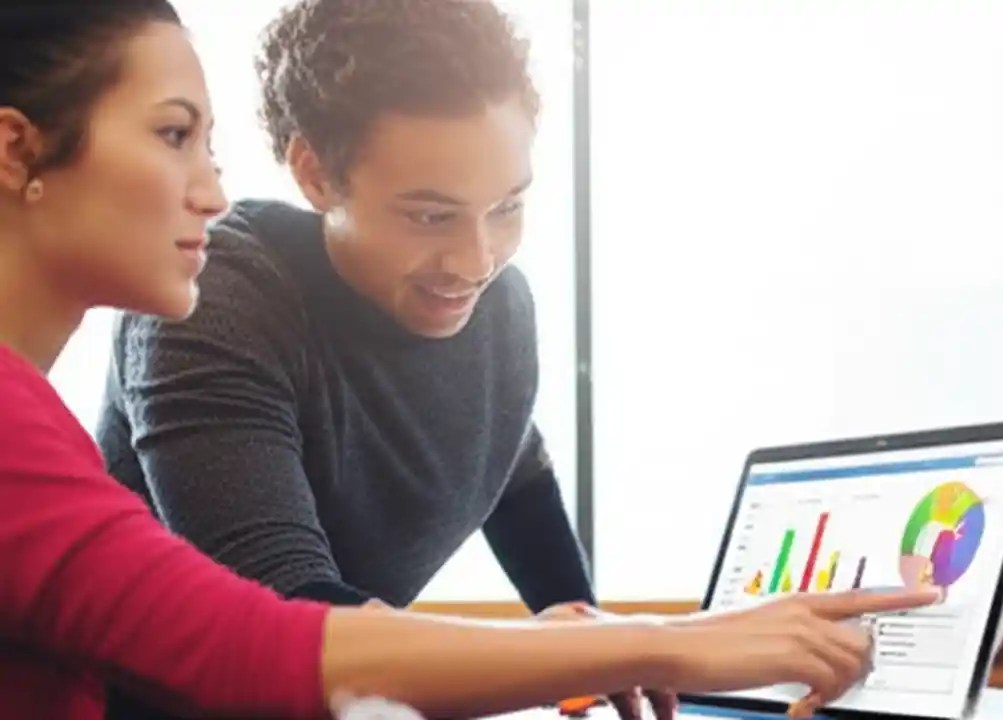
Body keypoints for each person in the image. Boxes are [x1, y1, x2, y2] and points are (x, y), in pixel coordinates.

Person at [0, 1, 946, 718]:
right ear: (315, 172)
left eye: (508, 207)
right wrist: (651, 642)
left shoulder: (33, 417)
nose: (476, 260)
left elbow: (507, 465)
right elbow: (270, 633)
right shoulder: (210, 307)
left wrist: (594, 632)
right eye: (174, 135)